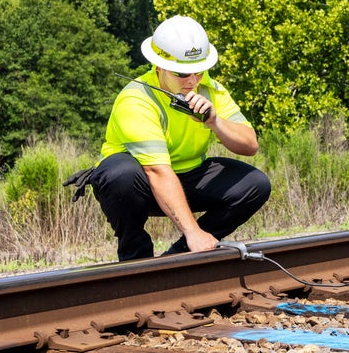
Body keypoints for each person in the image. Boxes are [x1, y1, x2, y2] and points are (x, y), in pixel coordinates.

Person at [79, 16, 270, 261]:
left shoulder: (210, 89)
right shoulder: (136, 99)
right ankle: (136, 258)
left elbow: (250, 145)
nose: (192, 80)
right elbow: (157, 171)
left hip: (188, 176)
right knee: (120, 174)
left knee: (255, 183)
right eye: (182, 73)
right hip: (141, 186)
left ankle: (181, 257)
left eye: (199, 71)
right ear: (159, 66)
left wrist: (215, 121)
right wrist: (192, 230)